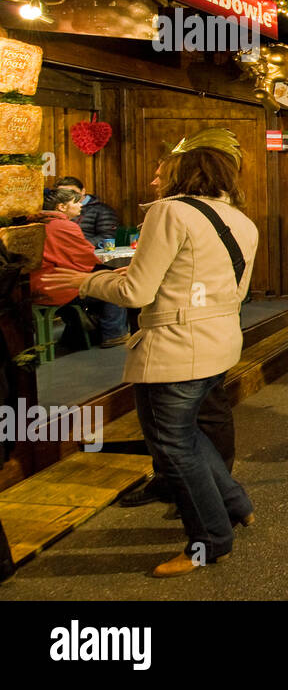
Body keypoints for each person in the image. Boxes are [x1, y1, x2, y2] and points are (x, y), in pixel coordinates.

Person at [42, 129, 258, 577]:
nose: (156, 179)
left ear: (186, 169)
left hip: (176, 349)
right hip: (219, 342)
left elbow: (136, 290)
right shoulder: (240, 219)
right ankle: (235, 505)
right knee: (189, 436)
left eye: (163, 169)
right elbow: (226, 289)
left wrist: (81, 281)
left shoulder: (169, 212)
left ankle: (210, 541)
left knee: (172, 446)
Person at [30, 187, 130, 348]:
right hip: (58, 285)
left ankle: (80, 331)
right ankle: (114, 333)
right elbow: (86, 256)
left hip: (34, 284)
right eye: (76, 202)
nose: (80, 206)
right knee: (113, 282)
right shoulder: (64, 225)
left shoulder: (34, 223)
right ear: (61, 207)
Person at [55, 175, 120, 248]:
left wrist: (78, 246)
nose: (67, 195)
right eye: (62, 192)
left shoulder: (102, 210)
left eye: (72, 192)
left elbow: (107, 237)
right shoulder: (56, 209)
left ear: (83, 191)